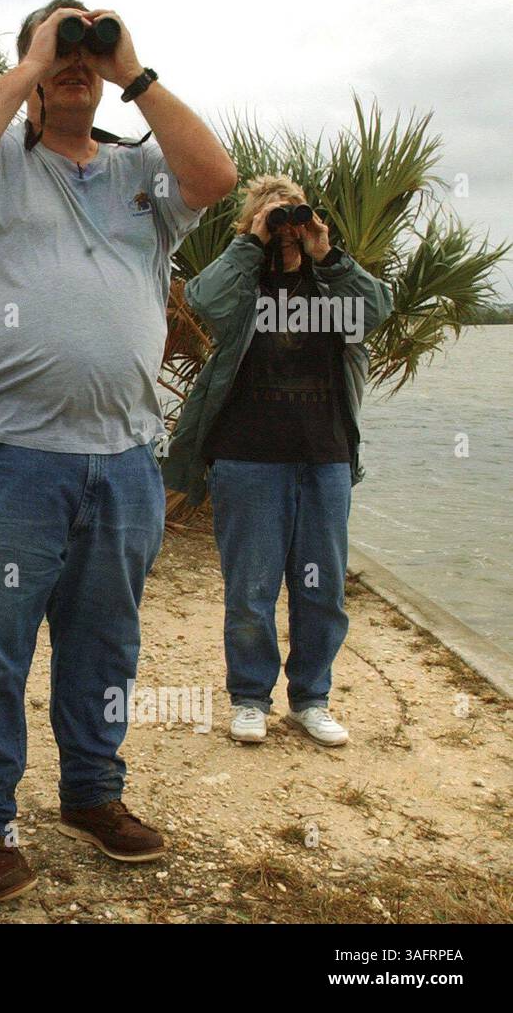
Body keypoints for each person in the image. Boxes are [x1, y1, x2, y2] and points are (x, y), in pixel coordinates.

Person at [0, 0, 237, 901]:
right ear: (22, 64)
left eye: (84, 51)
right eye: (59, 49)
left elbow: (217, 178)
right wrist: (34, 65)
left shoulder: (143, 171)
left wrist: (131, 70)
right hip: (10, 454)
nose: (74, 63)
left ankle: (93, 794)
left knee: (105, 645)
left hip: (126, 456)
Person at [163, 175, 394, 747]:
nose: (286, 223)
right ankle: (249, 698)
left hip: (326, 457)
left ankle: (311, 699)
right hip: (248, 457)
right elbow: (203, 300)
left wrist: (326, 251)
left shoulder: (331, 283)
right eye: (273, 215)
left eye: (293, 213)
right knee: (251, 587)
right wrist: (252, 240)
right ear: (253, 224)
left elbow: (374, 313)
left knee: (322, 590)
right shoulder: (243, 285)